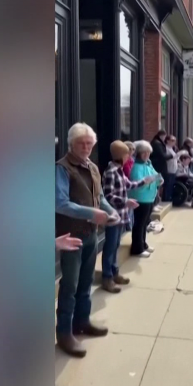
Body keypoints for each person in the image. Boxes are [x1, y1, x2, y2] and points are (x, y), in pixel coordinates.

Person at [55, 123, 120, 358]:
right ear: (71, 144)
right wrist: (92, 213)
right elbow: (59, 203)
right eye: (81, 143)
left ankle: (82, 322)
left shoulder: (92, 167)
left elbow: (99, 198)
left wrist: (112, 212)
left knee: (85, 284)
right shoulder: (62, 169)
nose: (86, 147)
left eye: (89, 143)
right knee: (69, 286)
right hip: (71, 236)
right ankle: (64, 333)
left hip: (91, 234)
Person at [100, 141, 155, 293]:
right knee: (110, 247)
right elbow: (108, 196)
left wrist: (144, 181)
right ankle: (107, 277)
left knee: (116, 245)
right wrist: (126, 201)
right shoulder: (111, 172)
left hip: (122, 215)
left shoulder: (118, 171)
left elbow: (129, 185)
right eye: (127, 154)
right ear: (120, 156)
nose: (129, 157)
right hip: (114, 216)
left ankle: (114, 272)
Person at [128, 140, 163, 257]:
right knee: (139, 224)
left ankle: (143, 244)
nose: (146, 154)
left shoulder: (148, 163)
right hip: (141, 198)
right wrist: (149, 181)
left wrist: (159, 179)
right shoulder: (136, 166)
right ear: (138, 153)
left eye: (148, 152)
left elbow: (155, 174)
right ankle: (137, 249)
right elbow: (136, 185)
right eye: (143, 152)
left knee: (144, 223)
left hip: (149, 198)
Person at [163, 135, 178, 202]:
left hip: (173, 169)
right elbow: (166, 158)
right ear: (167, 140)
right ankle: (166, 199)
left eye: (174, 140)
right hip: (169, 170)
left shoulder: (172, 148)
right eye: (172, 140)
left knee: (171, 185)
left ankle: (169, 198)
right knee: (168, 186)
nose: (174, 142)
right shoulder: (166, 148)